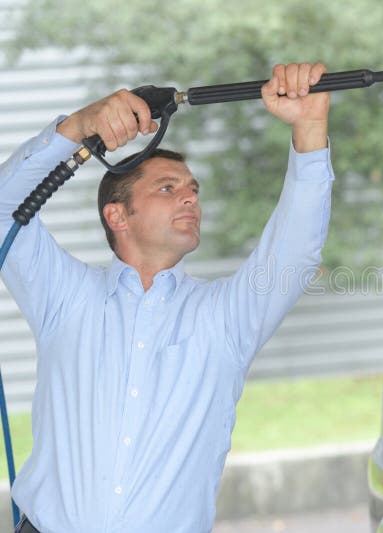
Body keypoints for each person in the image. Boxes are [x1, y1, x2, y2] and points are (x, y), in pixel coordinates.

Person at [0, 62, 334, 533]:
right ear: (118, 216)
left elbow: (294, 255)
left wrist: (310, 128)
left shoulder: (224, 318)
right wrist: (77, 127)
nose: (190, 199)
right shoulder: (65, 297)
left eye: (193, 191)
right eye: (168, 188)